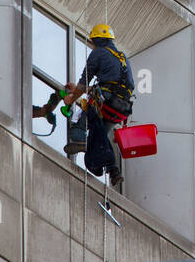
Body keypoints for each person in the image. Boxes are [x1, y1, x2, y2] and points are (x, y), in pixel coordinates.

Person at [43, 23, 135, 188]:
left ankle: (80, 141)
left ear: (97, 40)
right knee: (100, 135)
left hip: (106, 101)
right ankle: (112, 169)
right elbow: (115, 84)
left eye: (92, 42)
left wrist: (70, 100)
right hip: (121, 107)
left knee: (81, 125)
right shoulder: (122, 57)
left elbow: (84, 82)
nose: (91, 45)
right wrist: (80, 90)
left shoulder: (98, 53)